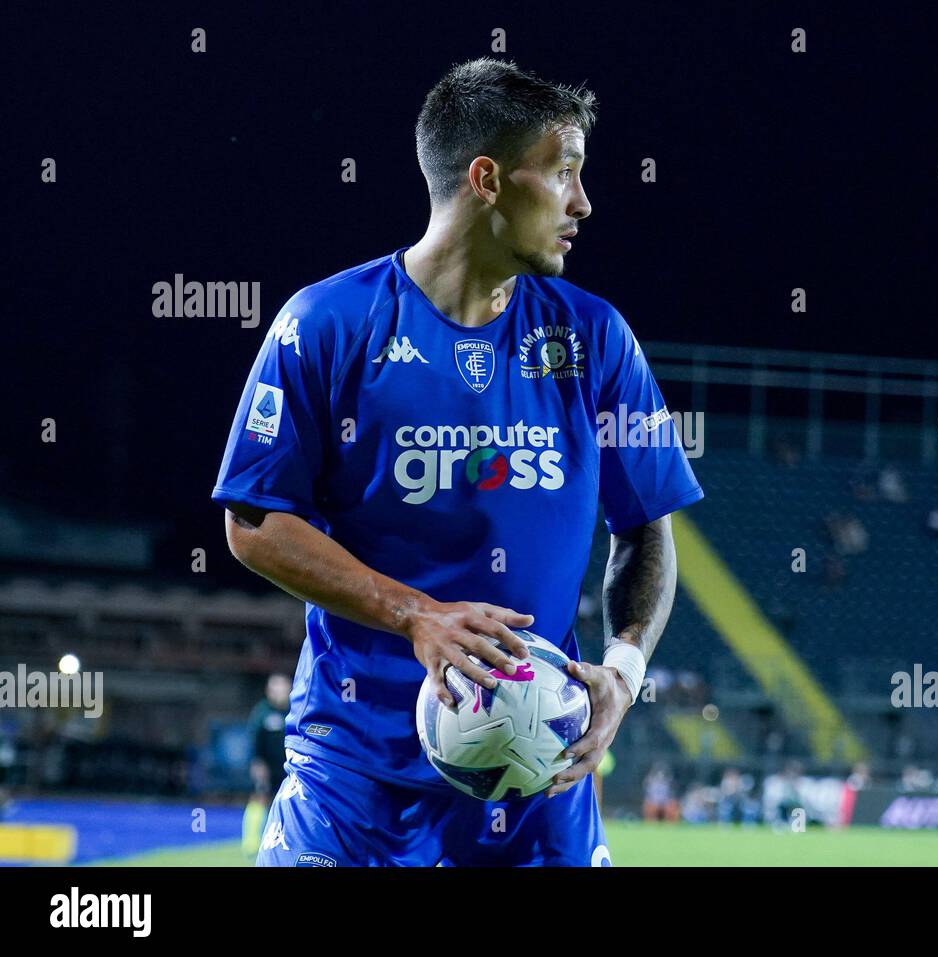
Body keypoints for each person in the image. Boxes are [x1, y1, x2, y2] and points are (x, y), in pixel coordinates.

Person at [212, 58, 704, 866]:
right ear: (487, 180)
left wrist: (621, 668)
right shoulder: (327, 325)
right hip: (350, 788)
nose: (584, 202)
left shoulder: (596, 338)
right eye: (564, 173)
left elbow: (645, 525)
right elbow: (254, 520)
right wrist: (415, 614)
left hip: (540, 785)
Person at [241, 673, 291, 858]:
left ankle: (283, 843)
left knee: (287, 805)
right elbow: (252, 741)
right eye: (276, 687)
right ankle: (251, 843)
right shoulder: (262, 712)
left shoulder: (295, 710)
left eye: (283, 687)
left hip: (289, 770)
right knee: (259, 799)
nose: (280, 692)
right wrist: (257, 764)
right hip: (266, 769)